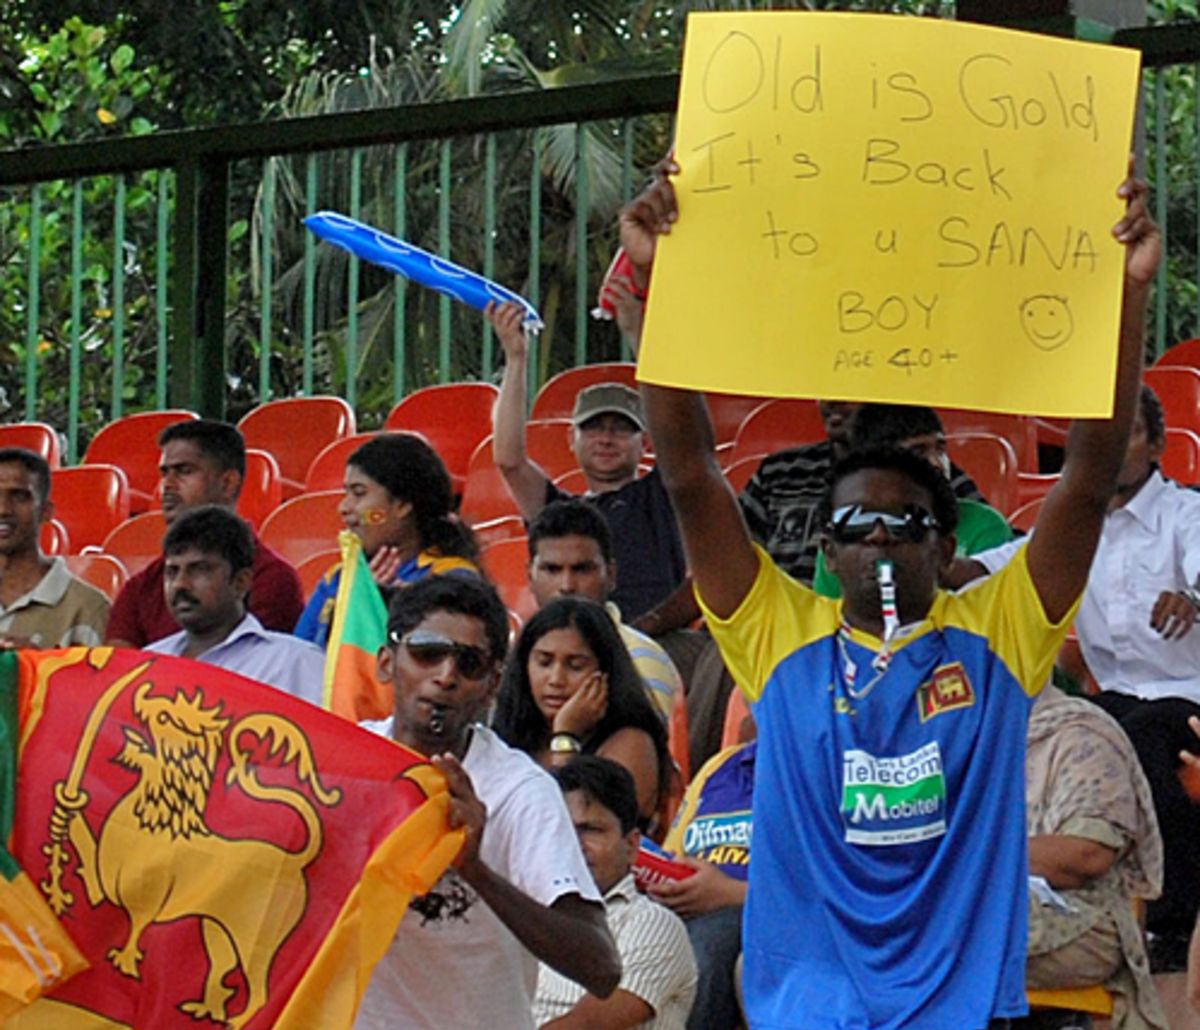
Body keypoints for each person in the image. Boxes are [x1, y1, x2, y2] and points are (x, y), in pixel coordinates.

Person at [620, 158, 1158, 1027]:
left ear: (946, 547)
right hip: (810, 1001)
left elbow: (1089, 479)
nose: (879, 536)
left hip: (959, 1003)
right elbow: (688, 474)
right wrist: (659, 288)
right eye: (857, 523)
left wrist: (1125, 292)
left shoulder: (998, 632)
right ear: (826, 549)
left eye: (905, 522)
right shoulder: (781, 636)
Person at [971, 384, 1200, 972]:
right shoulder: (1075, 527)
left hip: (1189, 696)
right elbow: (997, 569)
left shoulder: (1186, 515)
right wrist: (937, 565)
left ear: (1158, 445)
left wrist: (1192, 597)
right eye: (1100, 438)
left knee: (1138, 736)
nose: (1113, 449)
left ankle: (1172, 921)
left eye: (1129, 434)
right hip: (1113, 700)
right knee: (1053, 733)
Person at [356, 576, 620, 1029]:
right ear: (386, 662)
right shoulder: (343, 766)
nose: (446, 676)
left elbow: (601, 968)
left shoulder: (520, 791)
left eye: (470, 663)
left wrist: (474, 868)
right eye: (427, 652)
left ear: (493, 683)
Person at [489, 301, 686, 623]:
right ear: (572, 439)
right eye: (593, 428)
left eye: (621, 428)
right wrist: (516, 358)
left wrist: (638, 336)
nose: (606, 439)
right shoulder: (558, 512)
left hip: (653, 638)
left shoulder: (659, 496)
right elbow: (509, 461)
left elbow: (680, 434)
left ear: (646, 443)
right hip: (573, 637)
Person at [1017, 685, 1166, 1030]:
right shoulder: (942, 733)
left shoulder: (1079, 733)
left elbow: (1087, 855)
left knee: (953, 927)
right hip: (960, 902)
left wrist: (969, 861)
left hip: (1080, 915)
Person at [106, 420, 303, 648]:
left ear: (228, 483)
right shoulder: (142, 587)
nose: (167, 485)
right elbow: (120, 666)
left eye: (184, 471)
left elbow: (255, 662)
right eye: (165, 473)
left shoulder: (272, 579)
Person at [533, 755, 697, 1029]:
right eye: (561, 830)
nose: (574, 844)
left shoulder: (652, 923)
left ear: (631, 846)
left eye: (590, 830)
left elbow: (587, 1025)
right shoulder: (525, 915)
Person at [493, 597, 670, 831]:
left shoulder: (632, 742)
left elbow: (570, 830)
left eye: (575, 666)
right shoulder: (510, 735)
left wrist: (565, 738)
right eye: (544, 663)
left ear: (605, 672)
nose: (556, 679)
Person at [296, 432, 480, 648]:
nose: (343, 507)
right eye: (346, 494)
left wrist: (381, 607)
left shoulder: (453, 580)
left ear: (403, 505)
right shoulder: (337, 578)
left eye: (359, 493)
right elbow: (298, 657)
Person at [811, 403, 1012, 598]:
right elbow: (828, 614)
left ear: (947, 549)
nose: (937, 463)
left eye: (940, 449)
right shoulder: (843, 533)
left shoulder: (983, 524)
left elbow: (989, 607)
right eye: (918, 451)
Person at [527, 499, 684, 733]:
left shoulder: (641, 660)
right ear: (529, 576)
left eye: (582, 569)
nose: (567, 585)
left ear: (611, 575)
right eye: (552, 570)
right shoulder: (517, 655)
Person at [144, 506, 325, 705]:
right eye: (172, 572)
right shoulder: (146, 664)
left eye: (199, 570)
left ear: (241, 582)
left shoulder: (294, 663)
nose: (180, 584)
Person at [652, 737, 755, 1030]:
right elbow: (674, 853)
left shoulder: (827, 769)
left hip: (757, 915)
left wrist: (730, 893)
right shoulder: (721, 765)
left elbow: (833, 889)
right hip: (683, 907)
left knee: (702, 952)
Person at [0, 447, 109, 647]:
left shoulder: (88, 607)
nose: (3, 509)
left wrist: (40, 662)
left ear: (46, 511)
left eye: (19, 496)